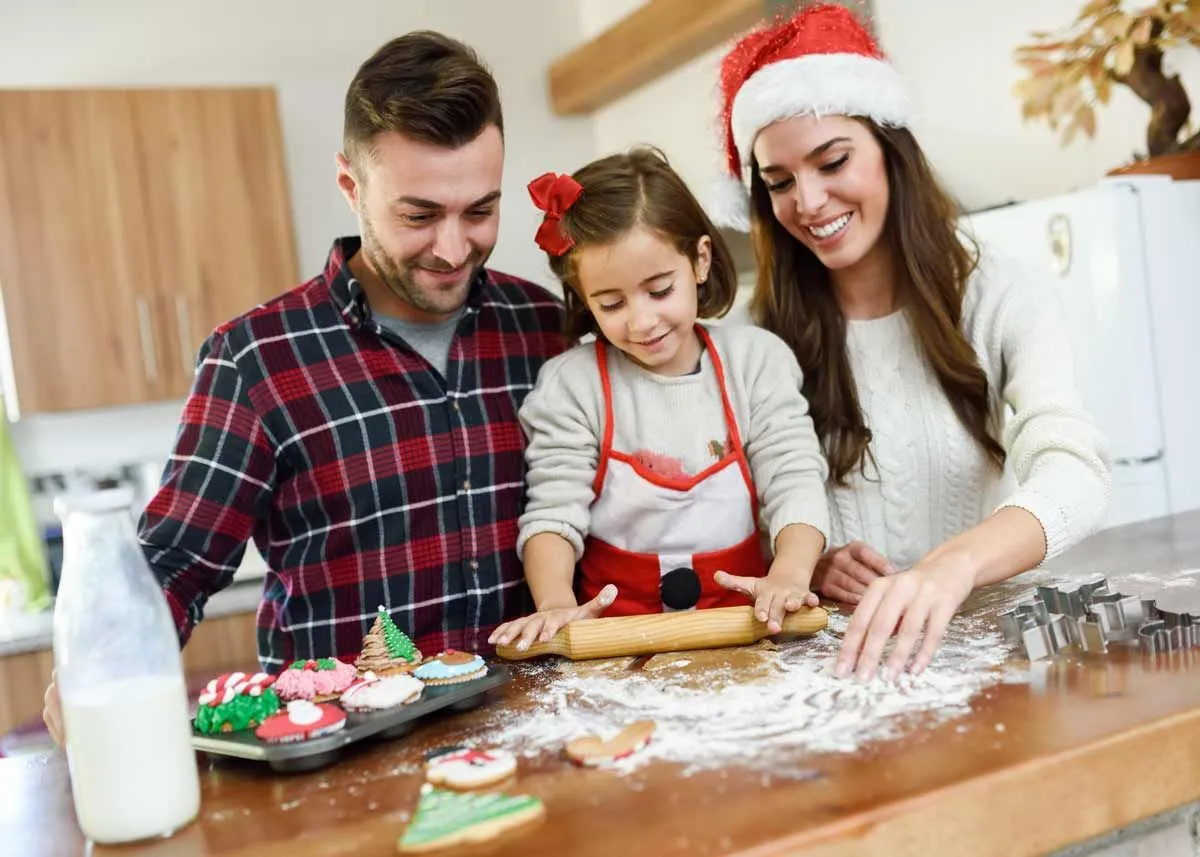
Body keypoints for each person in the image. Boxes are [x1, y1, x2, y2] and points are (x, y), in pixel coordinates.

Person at [43, 31, 567, 745]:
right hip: (347, 770)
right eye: (418, 215)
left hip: (539, 736)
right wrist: (104, 664)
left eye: (479, 211)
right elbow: (174, 563)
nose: (452, 248)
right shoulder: (256, 359)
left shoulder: (545, 327)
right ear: (351, 186)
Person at [709, 4, 1112, 682]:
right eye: (779, 183)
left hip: (985, 669)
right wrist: (804, 558)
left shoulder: (1002, 296)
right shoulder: (755, 339)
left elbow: (1077, 473)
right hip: (833, 679)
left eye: (832, 160)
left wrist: (950, 565)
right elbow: (730, 517)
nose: (807, 201)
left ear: (891, 150)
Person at [489, 147, 830, 653]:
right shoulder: (572, 386)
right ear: (584, 299)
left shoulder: (755, 362)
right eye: (611, 303)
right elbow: (553, 514)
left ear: (700, 260)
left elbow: (795, 478)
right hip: (616, 648)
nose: (642, 321)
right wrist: (556, 603)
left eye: (659, 290)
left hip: (749, 634)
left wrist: (790, 574)